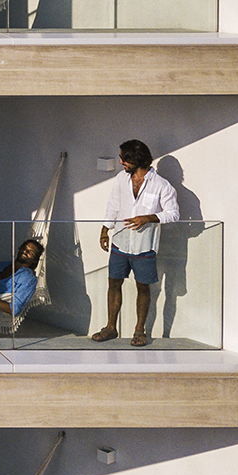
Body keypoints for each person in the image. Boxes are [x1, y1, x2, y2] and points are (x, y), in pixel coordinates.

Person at [92, 138, 180, 347]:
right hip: (120, 242)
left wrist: (148, 217)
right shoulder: (121, 179)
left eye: (124, 158)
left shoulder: (162, 186)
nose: (121, 162)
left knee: (143, 288)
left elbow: (174, 214)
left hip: (144, 246)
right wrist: (105, 229)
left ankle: (140, 331)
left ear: (137, 159)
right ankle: (110, 327)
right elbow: (113, 204)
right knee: (114, 283)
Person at [0, 237, 44, 317]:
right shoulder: (1, 265)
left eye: (31, 252)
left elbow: (14, 309)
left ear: (35, 260)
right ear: (19, 249)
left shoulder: (28, 278)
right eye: (24, 248)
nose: (25, 252)